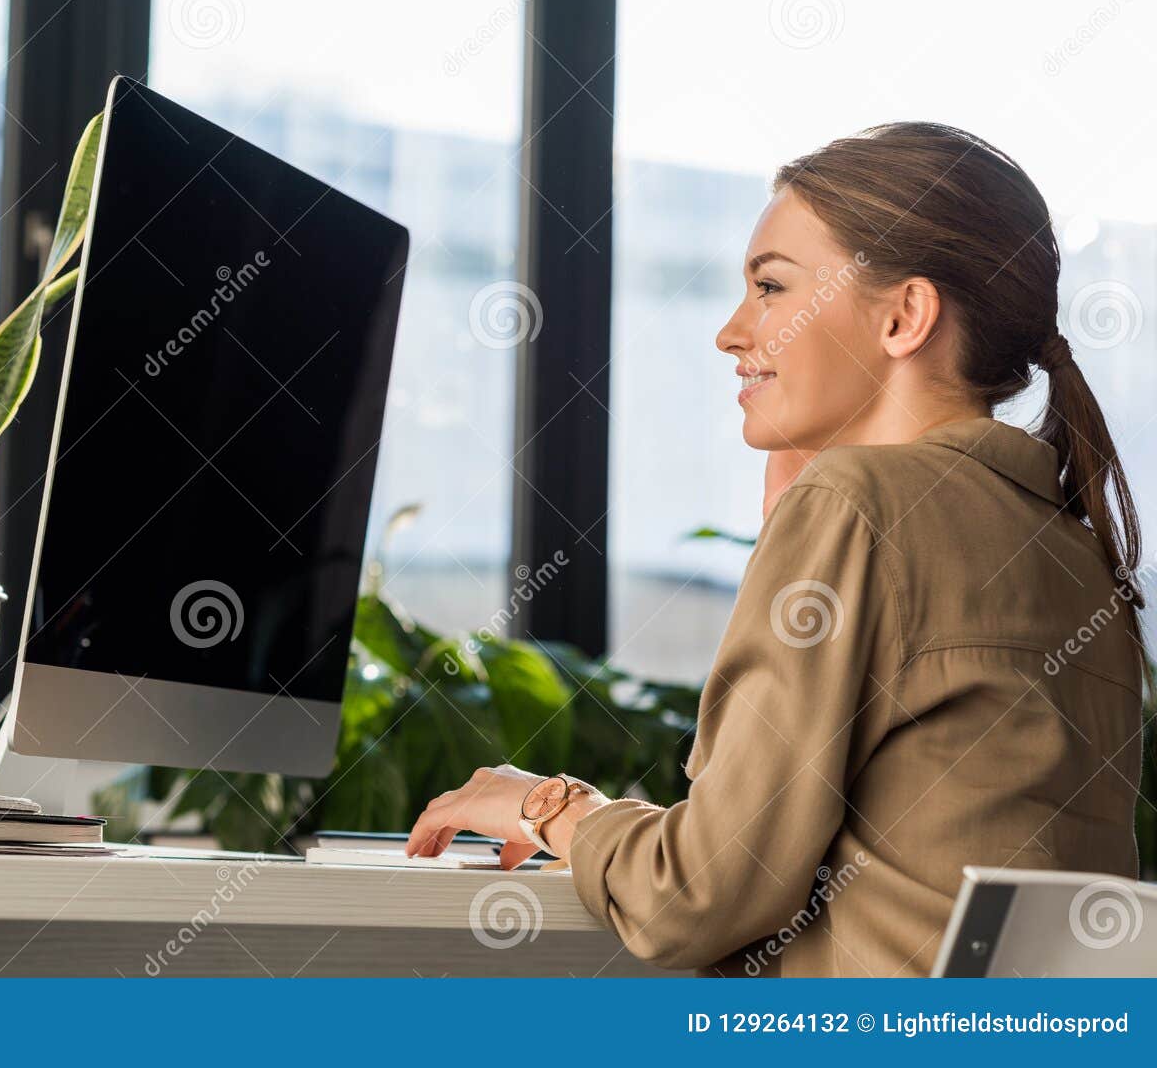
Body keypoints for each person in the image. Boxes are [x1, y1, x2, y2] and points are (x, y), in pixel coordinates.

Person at [404, 122, 1146, 976]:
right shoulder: (1079, 553)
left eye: (770, 287)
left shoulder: (859, 505)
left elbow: (697, 895)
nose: (731, 331)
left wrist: (546, 806)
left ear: (904, 316)